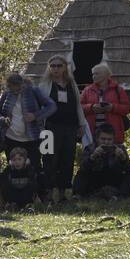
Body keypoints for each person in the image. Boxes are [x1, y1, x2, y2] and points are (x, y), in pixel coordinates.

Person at [36, 55, 90, 202]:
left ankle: (63, 192)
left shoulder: (72, 84)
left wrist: (81, 124)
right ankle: (48, 193)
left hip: (70, 128)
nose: (56, 69)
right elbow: (38, 108)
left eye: (59, 66)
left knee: (67, 158)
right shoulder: (43, 86)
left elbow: (78, 106)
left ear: (65, 67)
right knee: (48, 159)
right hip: (48, 128)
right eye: (52, 66)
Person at [0, 73, 55, 198]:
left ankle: (41, 196)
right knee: (13, 167)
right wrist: (3, 119)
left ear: (22, 84)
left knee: (35, 167)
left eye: (17, 88)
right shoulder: (6, 93)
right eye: (12, 89)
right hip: (11, 137)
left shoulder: (34, 91)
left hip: (31, 137)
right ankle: (13, 198)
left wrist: (36, 115)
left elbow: (52, 106)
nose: (15, 91)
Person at [72, 124, 130, 200]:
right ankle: (79, 195)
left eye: (109, 139)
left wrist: (123, 158)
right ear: (97, 139)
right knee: (81, 174)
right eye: (103, 139)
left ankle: (119, 196)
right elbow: (83, 168)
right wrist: (92, 157)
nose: (106, 142)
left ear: (113, 139)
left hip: (113, 177)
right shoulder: (90, 148)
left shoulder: (120, 148)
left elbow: (128, 169)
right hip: (95, 178)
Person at [80, 63, 130, 145]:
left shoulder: (118, 90)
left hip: (112, 133)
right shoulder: (87, 90)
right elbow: (79, 108)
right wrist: (91, 107)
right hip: (92, 132)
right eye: (93, 74)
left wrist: (112, 107)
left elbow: (127, 108)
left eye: (96, 74)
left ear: (105, 75)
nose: (93, 76)